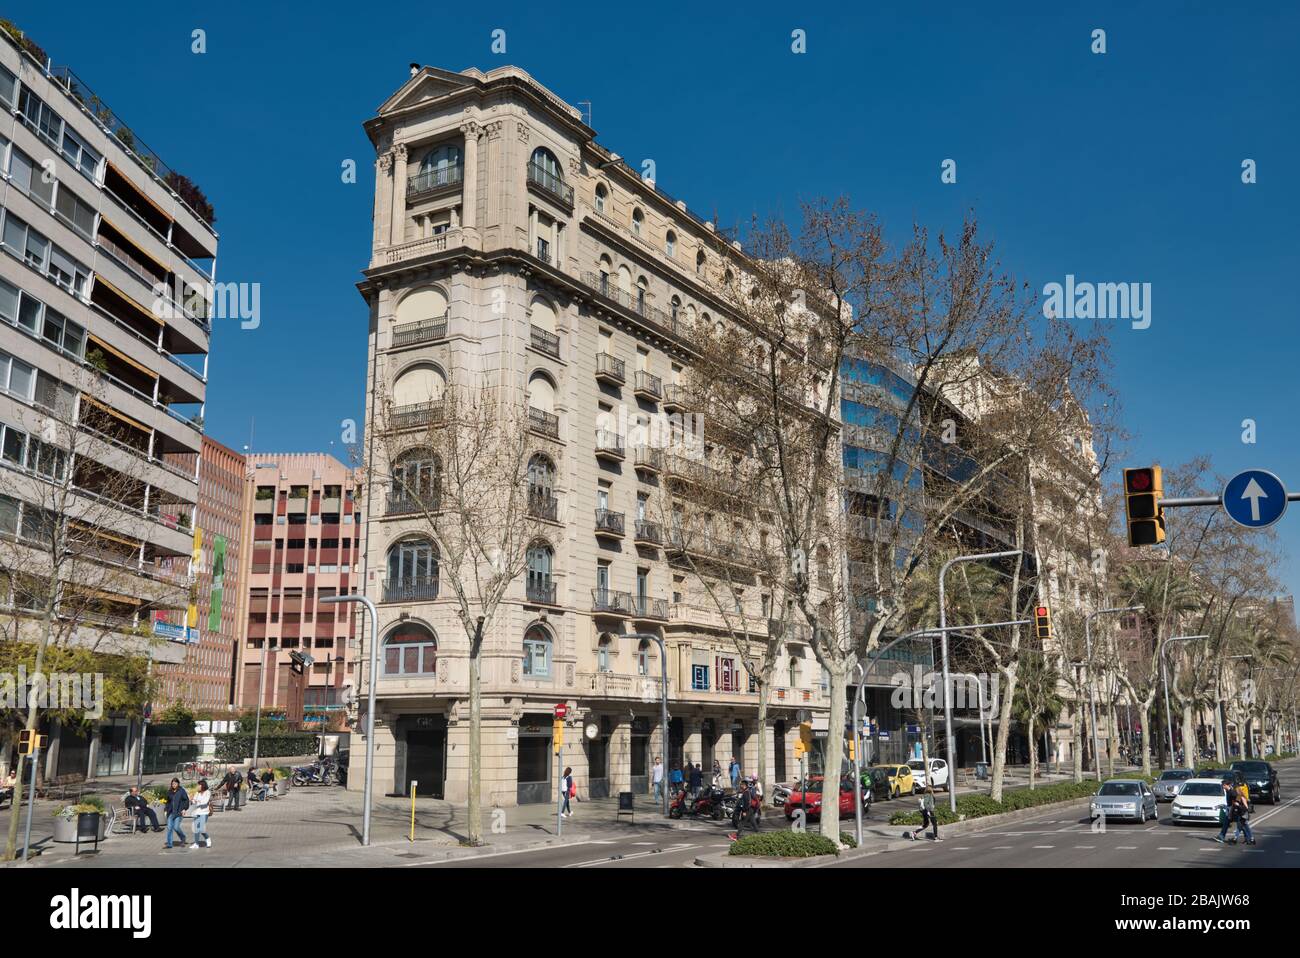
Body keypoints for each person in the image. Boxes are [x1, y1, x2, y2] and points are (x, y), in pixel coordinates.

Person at [163, 778, 190, 849]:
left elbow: (186, 800)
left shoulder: (181, 791)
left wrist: (184, 809)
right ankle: (169, 844)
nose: (174, 785)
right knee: (169, 828)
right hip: (171, 813)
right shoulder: (169, 792)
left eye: (175, 784)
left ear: (178, 784)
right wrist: (166, 810)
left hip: (178, 812)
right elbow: (168, 802)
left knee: (176, 827)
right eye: (172, 784)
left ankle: (183, 837)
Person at [189, 779, 212, 849]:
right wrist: (191, 799)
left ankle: (207, 838)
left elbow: (205, 802)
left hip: (204, 813)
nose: (197, 786)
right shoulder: (197, 793)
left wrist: (196, 800)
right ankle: (196, 843)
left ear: (203, 785)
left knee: (201, 828)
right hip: (197, 812)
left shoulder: (207, 792)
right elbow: (194, 802)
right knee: (196, 828)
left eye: (199, 785)